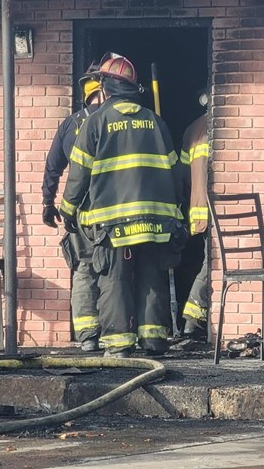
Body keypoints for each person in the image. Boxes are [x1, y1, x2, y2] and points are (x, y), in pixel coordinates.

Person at [59, 53, 187, 357]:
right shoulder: (156, 122)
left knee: (114, 281)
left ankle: (119, 345)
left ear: (106, 87)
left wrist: (67, 210)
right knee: (152, 278)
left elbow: (78, 175)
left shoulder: (96, 122)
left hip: (113, 225)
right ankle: (154, 340)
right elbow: (175, 173)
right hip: (156, 223)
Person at [42, 60, 105, 352]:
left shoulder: (70, 124)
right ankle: (116, 333)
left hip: (78, 211)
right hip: (113, 209)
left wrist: (48, 203)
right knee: (115, 271)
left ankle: (87, 337)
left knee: (84, 270)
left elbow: (53, 167)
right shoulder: (111, 121)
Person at [179, 90, 211, 338]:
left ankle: (194, 320)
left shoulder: (191, 129)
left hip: (197, 210)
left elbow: (181, 176)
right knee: (212, 264)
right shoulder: (221, 129)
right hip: (215, 210)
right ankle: (193, 319)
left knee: (208, 262)